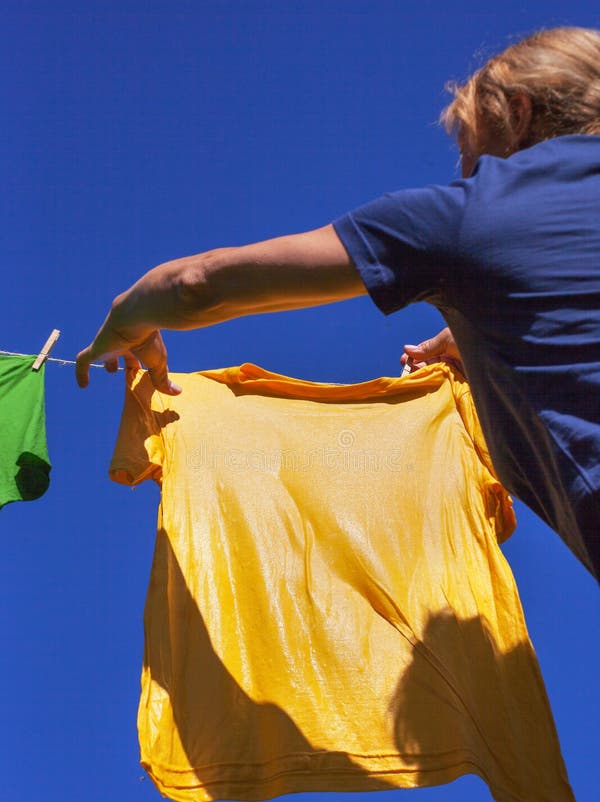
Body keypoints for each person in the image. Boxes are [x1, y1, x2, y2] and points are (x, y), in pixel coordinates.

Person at [76, 26, 600, 584]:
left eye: (471, 154)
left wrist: (127, 318)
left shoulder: (475, 215)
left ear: (517, 113)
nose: (469, 175)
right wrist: (478, 334)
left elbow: (199, 284)